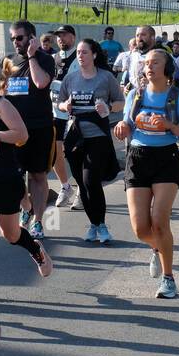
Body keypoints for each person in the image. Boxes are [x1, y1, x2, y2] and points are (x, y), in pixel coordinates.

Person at [115, 48, 179, 299]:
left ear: (167, 68)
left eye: (155, 63)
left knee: (160, 221)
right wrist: (121, 126)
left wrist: (171, 126)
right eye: (146, 63)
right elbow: (127, 123)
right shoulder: (135, 95)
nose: (149, 67)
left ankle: (168, 278)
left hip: (166, 159)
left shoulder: (178, 98)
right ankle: (157, 248)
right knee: (141, 229)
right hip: (137, 158)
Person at [0, 61, 51, 296]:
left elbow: (22, 135)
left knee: (11, 234)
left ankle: (35, 249)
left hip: (4, 177)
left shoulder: (2, 105)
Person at [59, 39, 126, 243]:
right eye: (79, 52)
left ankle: (102, 225)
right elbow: (59, 102)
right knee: (81, 183)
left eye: (84, 52)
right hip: (75, 136)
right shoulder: (70, 79)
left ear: (94, 55)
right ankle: (94, 224)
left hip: (97, 135)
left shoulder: (105, 77)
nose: (80, 56)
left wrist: (108, 108)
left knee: (91, 181)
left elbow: (120, 102)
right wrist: (65, 106)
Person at [6, 20, 58, 240]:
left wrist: (32, 56)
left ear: (32, 38)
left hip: (39, 127)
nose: (15, 42)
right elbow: (0, 91)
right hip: (14, 130)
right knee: (12, 176)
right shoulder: (8, 61)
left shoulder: (45, 59)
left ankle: (37, 221)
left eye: (19, 37)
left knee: (37, 175)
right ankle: (26, 208)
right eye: (12, 38)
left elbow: (40, 83)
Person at [50, 25, 80, 210]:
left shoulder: (79, 57)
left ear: (73, 37)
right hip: (55, 112)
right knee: (55, 152)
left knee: (74, 153)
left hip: (75, 113)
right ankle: (65, 186)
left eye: (64, 35)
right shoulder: (52, 58)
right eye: (58, 36)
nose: (60, 39)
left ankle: (82, 189)